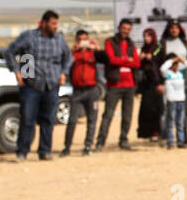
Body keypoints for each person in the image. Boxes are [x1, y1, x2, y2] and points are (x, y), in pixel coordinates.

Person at [6, 10, 70, 160]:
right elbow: (10, 52)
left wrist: (64, 72)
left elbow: (68, 57)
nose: (56, 27)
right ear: (44, 23)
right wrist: (16, 71)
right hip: (31, 84)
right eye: (53, 23)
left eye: (57, 24)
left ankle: (45, 151)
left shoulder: (59, 39)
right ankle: (22, 151)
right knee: (28, 119)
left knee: (48, 120)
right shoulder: (30, 37)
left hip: (52, 85)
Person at [96, 19, 138, 151]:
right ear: (119, 28)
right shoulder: (110, 42)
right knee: (108, 114)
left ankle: (123, 140)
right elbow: (111, 59)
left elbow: (136, 63)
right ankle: (100, 142)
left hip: (130, 84)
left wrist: (122, 61)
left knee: (127, 115)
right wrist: (126, 60)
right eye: (124, 28)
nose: (125, 31)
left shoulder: (131, 44)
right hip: (114, 84)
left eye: (128, 29)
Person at [62, 29, 103, 156]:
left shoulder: (93, 53)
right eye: (80, 40)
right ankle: (67, 147)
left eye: (85, 40)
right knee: (72, 120)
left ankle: (87, 146)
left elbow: (106, 58)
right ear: (77, 40)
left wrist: (96, 47)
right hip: (77, 91)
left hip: (92, 90)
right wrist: (73, 50)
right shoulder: (73, 54)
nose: (83, 42)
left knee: (92, 119)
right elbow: (65, 64)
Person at [160, 55, 187, 149]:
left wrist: (183, 61)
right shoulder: (168, 74)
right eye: (174, 64)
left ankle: (180, 141)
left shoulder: (181, 74)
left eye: (176, 64)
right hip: (171, 100)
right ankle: (170, 142)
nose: (175, 66)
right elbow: (162, 69)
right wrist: (171, 61)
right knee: (170, 122)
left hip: (181, 100)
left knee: (180, 122)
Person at [136, 27, 164, 139]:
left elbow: (158, 57)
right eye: (145, 36)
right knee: (146, 108)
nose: (147, 38)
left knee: (155, 108)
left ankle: (157, 131)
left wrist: (150, 57)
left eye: (149, 36)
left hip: (156, 81)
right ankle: (146, 131)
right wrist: (140, 58)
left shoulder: (157, 47)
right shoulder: (144, 48)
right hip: (146, 83)